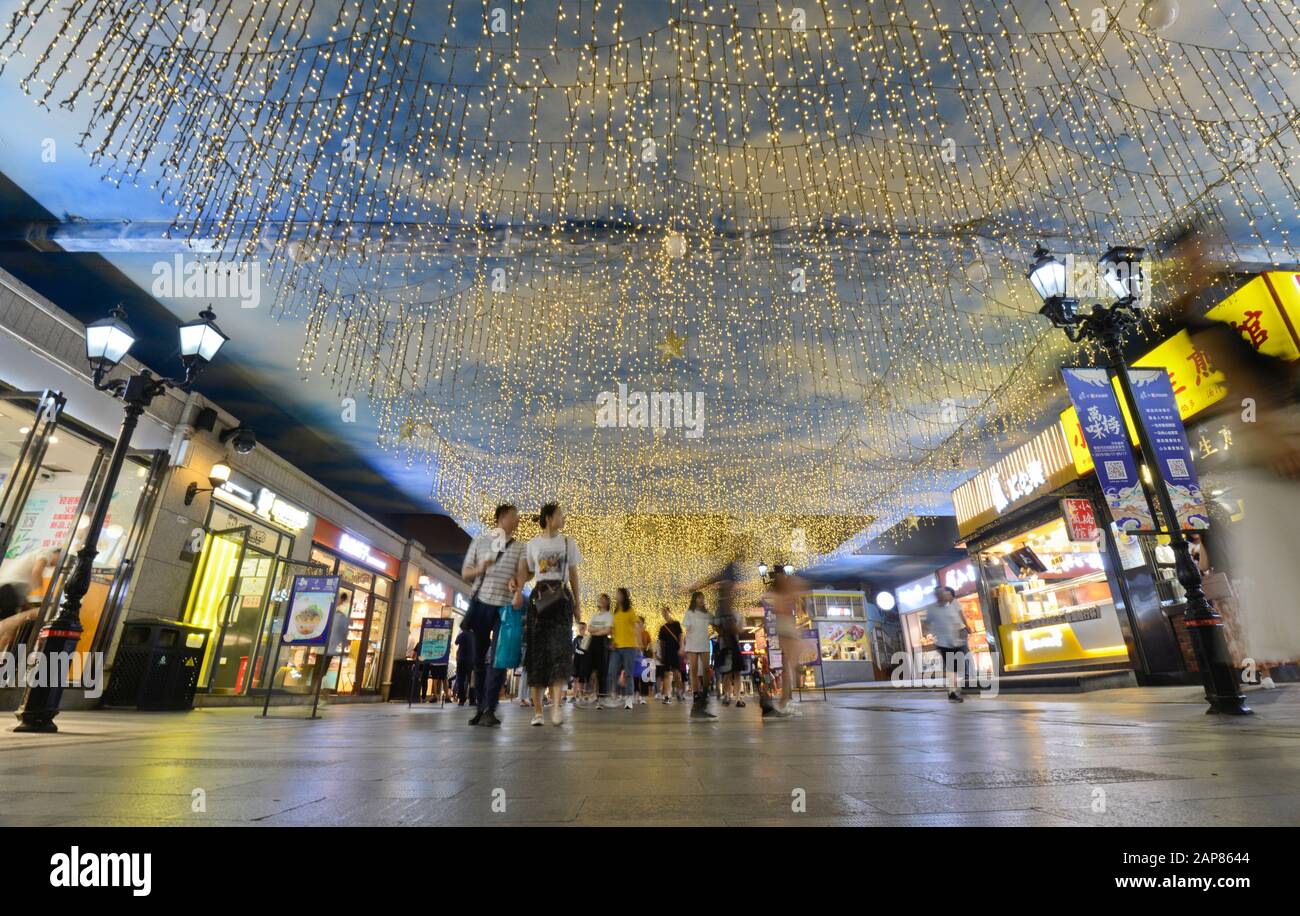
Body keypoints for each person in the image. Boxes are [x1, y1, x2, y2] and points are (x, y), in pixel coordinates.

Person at [514, 502, 582, 726]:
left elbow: (573, 574)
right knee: (537, 652)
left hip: (561, 598)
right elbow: (528, 572)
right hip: (540, 598)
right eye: (560, 514)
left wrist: (578, 604)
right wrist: (516, 586)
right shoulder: (532, 544)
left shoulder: (567, 542)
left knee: (560, 651)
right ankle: (538, 712)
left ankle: (555, 708)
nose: (563, 518)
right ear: (549, 517)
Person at [461, 504, 526, 726]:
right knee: (478, 660)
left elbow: (521, 573)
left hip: (504, 609)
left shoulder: (519, 547)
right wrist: (481, 568)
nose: (518, 521)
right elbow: (466, 572)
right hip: (480, 604)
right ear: (501, 518)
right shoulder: (480, 541)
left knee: (499, 659)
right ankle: (480, 707)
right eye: (514, 517)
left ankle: (490, 708)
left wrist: (517, 588)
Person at [929, 585, 968, 703]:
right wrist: (933, 636)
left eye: (943, 593)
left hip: (956, 642)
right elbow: (927, 623)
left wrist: (962, 636)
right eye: (939, 593)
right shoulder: (932, 609)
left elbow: (958, 624)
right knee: (952, 668)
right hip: (943, 643)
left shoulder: (951, 607)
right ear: (936, 595)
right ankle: (952, 692)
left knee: (957, 667)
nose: (942, 595)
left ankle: (955, 688)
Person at [604, 587, 641, 710]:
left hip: (629, 647)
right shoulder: (616, 612)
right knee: (611, 672)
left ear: (624, 596)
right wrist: (612, 640)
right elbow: (613, 630)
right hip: (617, 647)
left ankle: (629, 699)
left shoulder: (630, 611)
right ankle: (612, 695)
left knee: (629, 674)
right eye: (616, 594)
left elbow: (636, 626)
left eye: (618, 594)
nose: (616, 595)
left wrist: (638, 642)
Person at [682, 591, 715, 718]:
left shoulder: (706, 613)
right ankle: (696, 694)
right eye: (699, 598)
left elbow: (715, 621)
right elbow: (687, 627)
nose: (701, 600)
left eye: (703, 598)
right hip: (692, 644)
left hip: (704, 643)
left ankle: (705, 692)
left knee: (707, 669)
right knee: (694, 670)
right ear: (694, 600)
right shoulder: (689, 613)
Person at [586, 593, 613, 707]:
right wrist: (600, 629)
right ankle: (593, 694)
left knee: (602, 670)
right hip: (593, 642)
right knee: (592, 669)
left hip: (602, 643)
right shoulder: (595, 616)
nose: (601, 600)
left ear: (607, 603)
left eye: (603, 599)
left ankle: (601, 697)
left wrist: (597, 630)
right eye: (600, 599)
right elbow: (589, 629)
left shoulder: (609, 615)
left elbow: (607, 631)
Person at [656, 605, 683, 704]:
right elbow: (662, 643)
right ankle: (667, 696)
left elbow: (680, 636)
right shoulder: (663, 628)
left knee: (677, 673)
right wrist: (662, 655)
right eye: (663, 613)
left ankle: (680, 692)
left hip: (675, 651)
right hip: (667, 653)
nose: (664, 615)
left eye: (665, 612)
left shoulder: (676, 624)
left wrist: (681, 647)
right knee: (666, 674)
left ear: (669, 612)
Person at [571, 621, 589, 704]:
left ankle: (582, 694)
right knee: (575, 679)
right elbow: (572, 651)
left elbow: (588, 651)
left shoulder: (587, 639)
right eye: (580, 627)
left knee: (583, 679)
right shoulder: (575, 639)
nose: (581, 629)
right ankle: (574, 695)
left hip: (584, 661)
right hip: (576, 661)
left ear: (585, 628)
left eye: (583, 627)